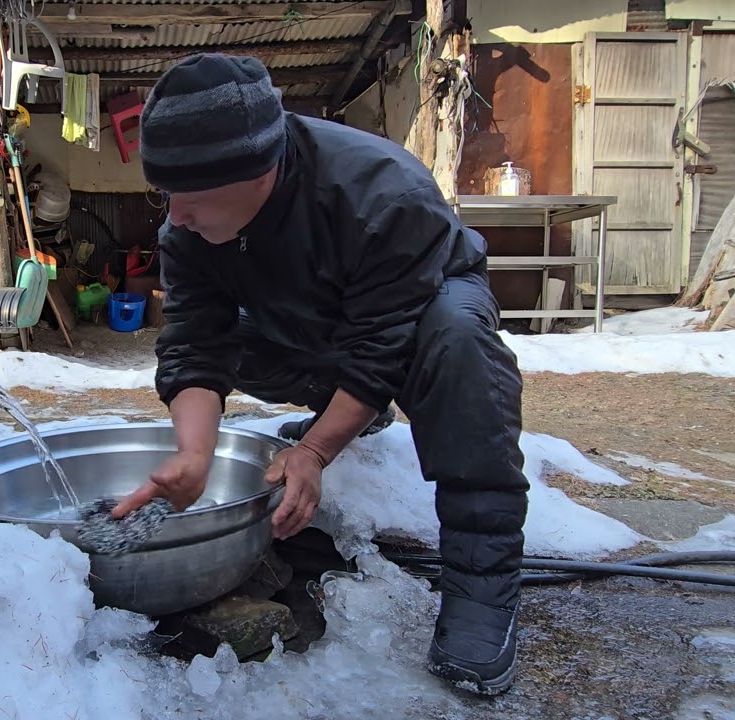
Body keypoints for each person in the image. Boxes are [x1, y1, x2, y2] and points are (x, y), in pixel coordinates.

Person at [109, 53, 530, 696]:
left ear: (259, 174)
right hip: (311, 321)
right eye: (168, 196)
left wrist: (314, 450)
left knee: (456, 339)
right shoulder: (189, 225)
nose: (177, 216)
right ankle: (358, 408)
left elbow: (383, 343)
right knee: (238, 345)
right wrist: (195, 455)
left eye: (189, 199)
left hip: (424, 306)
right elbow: (197, 341)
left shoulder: (380, 192)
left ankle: (481, 584)